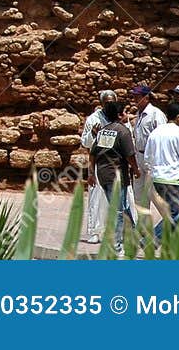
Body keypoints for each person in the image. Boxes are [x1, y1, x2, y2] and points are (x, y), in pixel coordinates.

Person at [86, 98, 139, 252]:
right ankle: (117, 245)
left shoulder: (103, 131)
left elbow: (93, 154)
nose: (126, 114)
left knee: (122, 205)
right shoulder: (123, 131)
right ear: (118, 114)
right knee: (118, 210)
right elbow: (130, 155)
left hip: (103, 175)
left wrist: (91, 174)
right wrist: (136, 170)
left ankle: (133, 233)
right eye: (124, 112)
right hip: (116, 176)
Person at [143, 100, 179, 239]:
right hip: (172, 179)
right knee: (177, 214)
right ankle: (150, 241)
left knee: (171, 213)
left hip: (157, 179)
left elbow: (147, 156)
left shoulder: (155, 132)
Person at [79, 88, 119, 244]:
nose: (110, 105)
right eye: (107, 102)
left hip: (116, 163)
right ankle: (95, 232)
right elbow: (85, 143)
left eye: (112, 102)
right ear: (102, 103)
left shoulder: (119, 116)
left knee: (119, 198)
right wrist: (93, 134)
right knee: (97, 198)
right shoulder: (93, 119)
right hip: (99, 163)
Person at [129, 83, 166, 207]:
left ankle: (169, 221)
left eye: (138, 97)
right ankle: (143, 224)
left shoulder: (156, 114)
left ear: (146, 98)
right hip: (139, 157)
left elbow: (162, 137)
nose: (135, 100)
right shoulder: (139, 114)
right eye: (134, 97)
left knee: (154, 194)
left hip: (151, 158)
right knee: (139, 195)